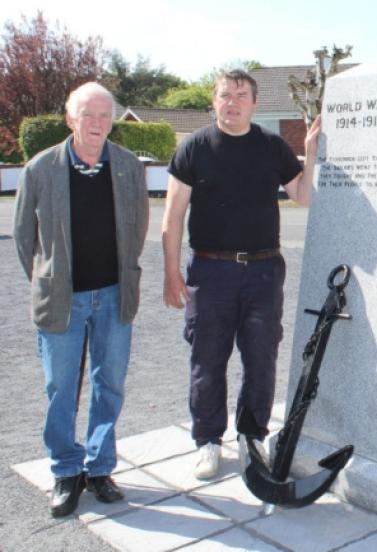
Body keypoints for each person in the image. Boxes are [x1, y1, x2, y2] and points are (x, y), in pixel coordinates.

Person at [162, 69, 320, 479]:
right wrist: (171, 272)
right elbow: (173, 215)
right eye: (224, 95)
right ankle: (208, 441)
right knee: (207, 359)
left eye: (240, 95)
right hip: (209, 272)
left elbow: (301, 196)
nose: (231, 102)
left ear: (254, 103)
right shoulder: (194, 148)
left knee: (261, 358)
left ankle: (251, 437)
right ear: (213, 101)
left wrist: (310, 151)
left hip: (263, 272)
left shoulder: (270, 146)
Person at [14, 82, 149, 516]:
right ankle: (66, 469)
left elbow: (138, 227)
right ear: (70, 119)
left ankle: (100, 466)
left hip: (114, 295)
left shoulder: (128, 166)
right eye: (87, 115)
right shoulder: (40, 168)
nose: (97, 124)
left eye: (104, 116)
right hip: (62, 299)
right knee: (61, 388)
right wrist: (47, 278)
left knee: (109, 385)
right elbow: (23, 238)